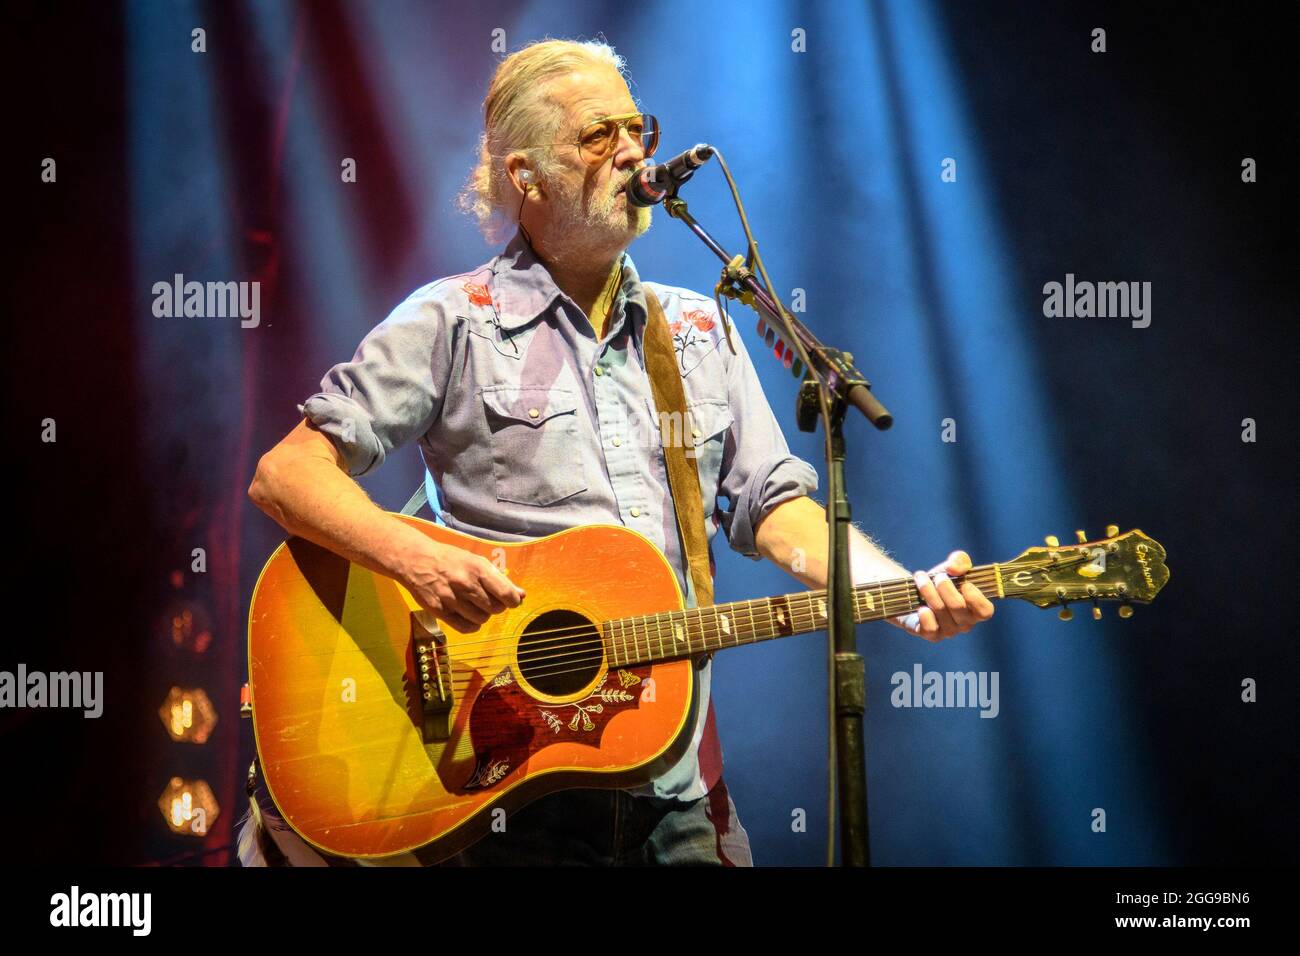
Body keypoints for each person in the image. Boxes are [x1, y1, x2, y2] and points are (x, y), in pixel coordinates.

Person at [238, 38, 994, 867]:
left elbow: (774, 507)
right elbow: (287, 474)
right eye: (599, 136)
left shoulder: (700, 328)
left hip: (674, 782)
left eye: (640, 128)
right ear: (525, 175)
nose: (635, 151)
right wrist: (414, 558)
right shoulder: (453, 320)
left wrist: (898, 589)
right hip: (505, 784)